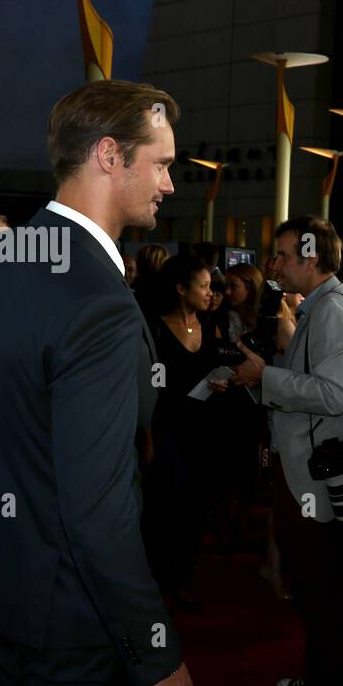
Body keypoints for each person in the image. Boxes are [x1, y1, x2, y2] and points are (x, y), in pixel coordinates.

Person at [0, 79, 191, 686]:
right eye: (163, 163)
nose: (171, 183)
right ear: (110, 156)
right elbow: (99, 510)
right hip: (71, 616)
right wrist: (156, 650)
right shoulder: (101, 306)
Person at [231, 216, 343, 686]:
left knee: (317, 591)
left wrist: (267, 377)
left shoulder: (333, 311)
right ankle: (333, 681)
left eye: (281, 256)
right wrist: (266, 378)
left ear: (311, 258)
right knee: (317, 590)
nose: (273, 265)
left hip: (320, 482)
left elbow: (333, 394)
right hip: (314, 475)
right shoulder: (323, 307)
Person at [144, 253, 228, 609]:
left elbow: (217, 370)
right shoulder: (155, 328)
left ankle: (183, 579)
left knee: (195, 508)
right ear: (181, 289)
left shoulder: (212, 328)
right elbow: (147, 387)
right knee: (164, 508)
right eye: (204, 286)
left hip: (203, 431)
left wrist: (223, 382)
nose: (211, 293)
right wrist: (145, 437)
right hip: (165, 431)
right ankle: (156, 581)